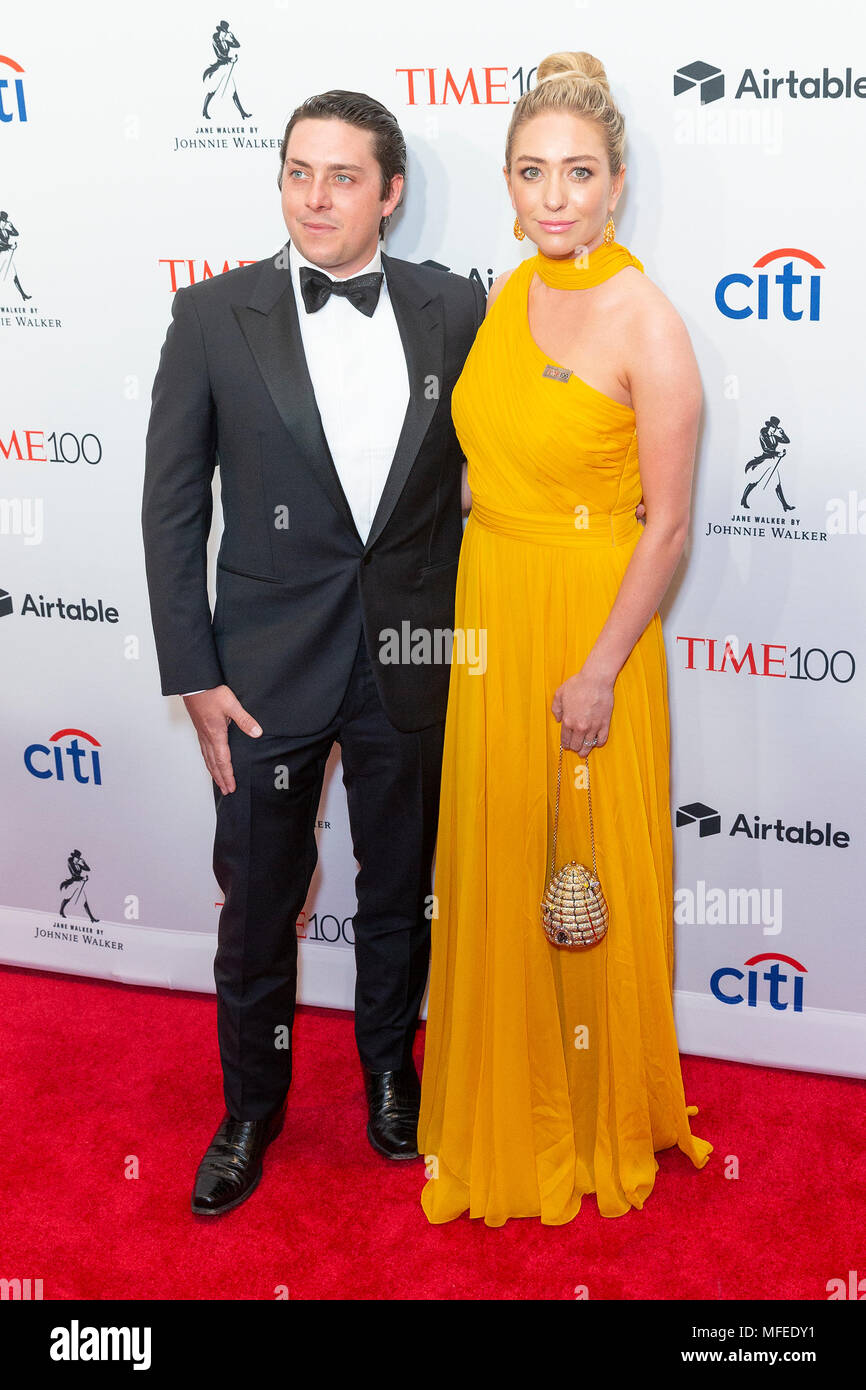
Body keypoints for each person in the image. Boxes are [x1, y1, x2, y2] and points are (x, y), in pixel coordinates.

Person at [142, 89, 485, 1217]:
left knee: (401, 887)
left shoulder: (455, 308)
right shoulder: (210, 315)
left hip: (412, 656)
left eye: (343, 176)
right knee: (256, 906)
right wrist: (193, 671)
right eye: (299, 171)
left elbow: (495, 480)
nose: (316, 195)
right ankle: (250, 1108)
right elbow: (173, 509)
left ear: (390, 193)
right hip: (260, 671)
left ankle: (392, 1076)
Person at [418, 49, 713, 1226]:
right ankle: (504, 1093)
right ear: (505, 181)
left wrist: (596, 667)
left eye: (577, 172)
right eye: (532, 171)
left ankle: (587, 1114)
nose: (555, 195)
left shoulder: (647, 318)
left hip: (592, 625)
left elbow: (670, 525)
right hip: (491, 599)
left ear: (617, 182)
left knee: (578, 877)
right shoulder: (505, 293)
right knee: (498, 852)